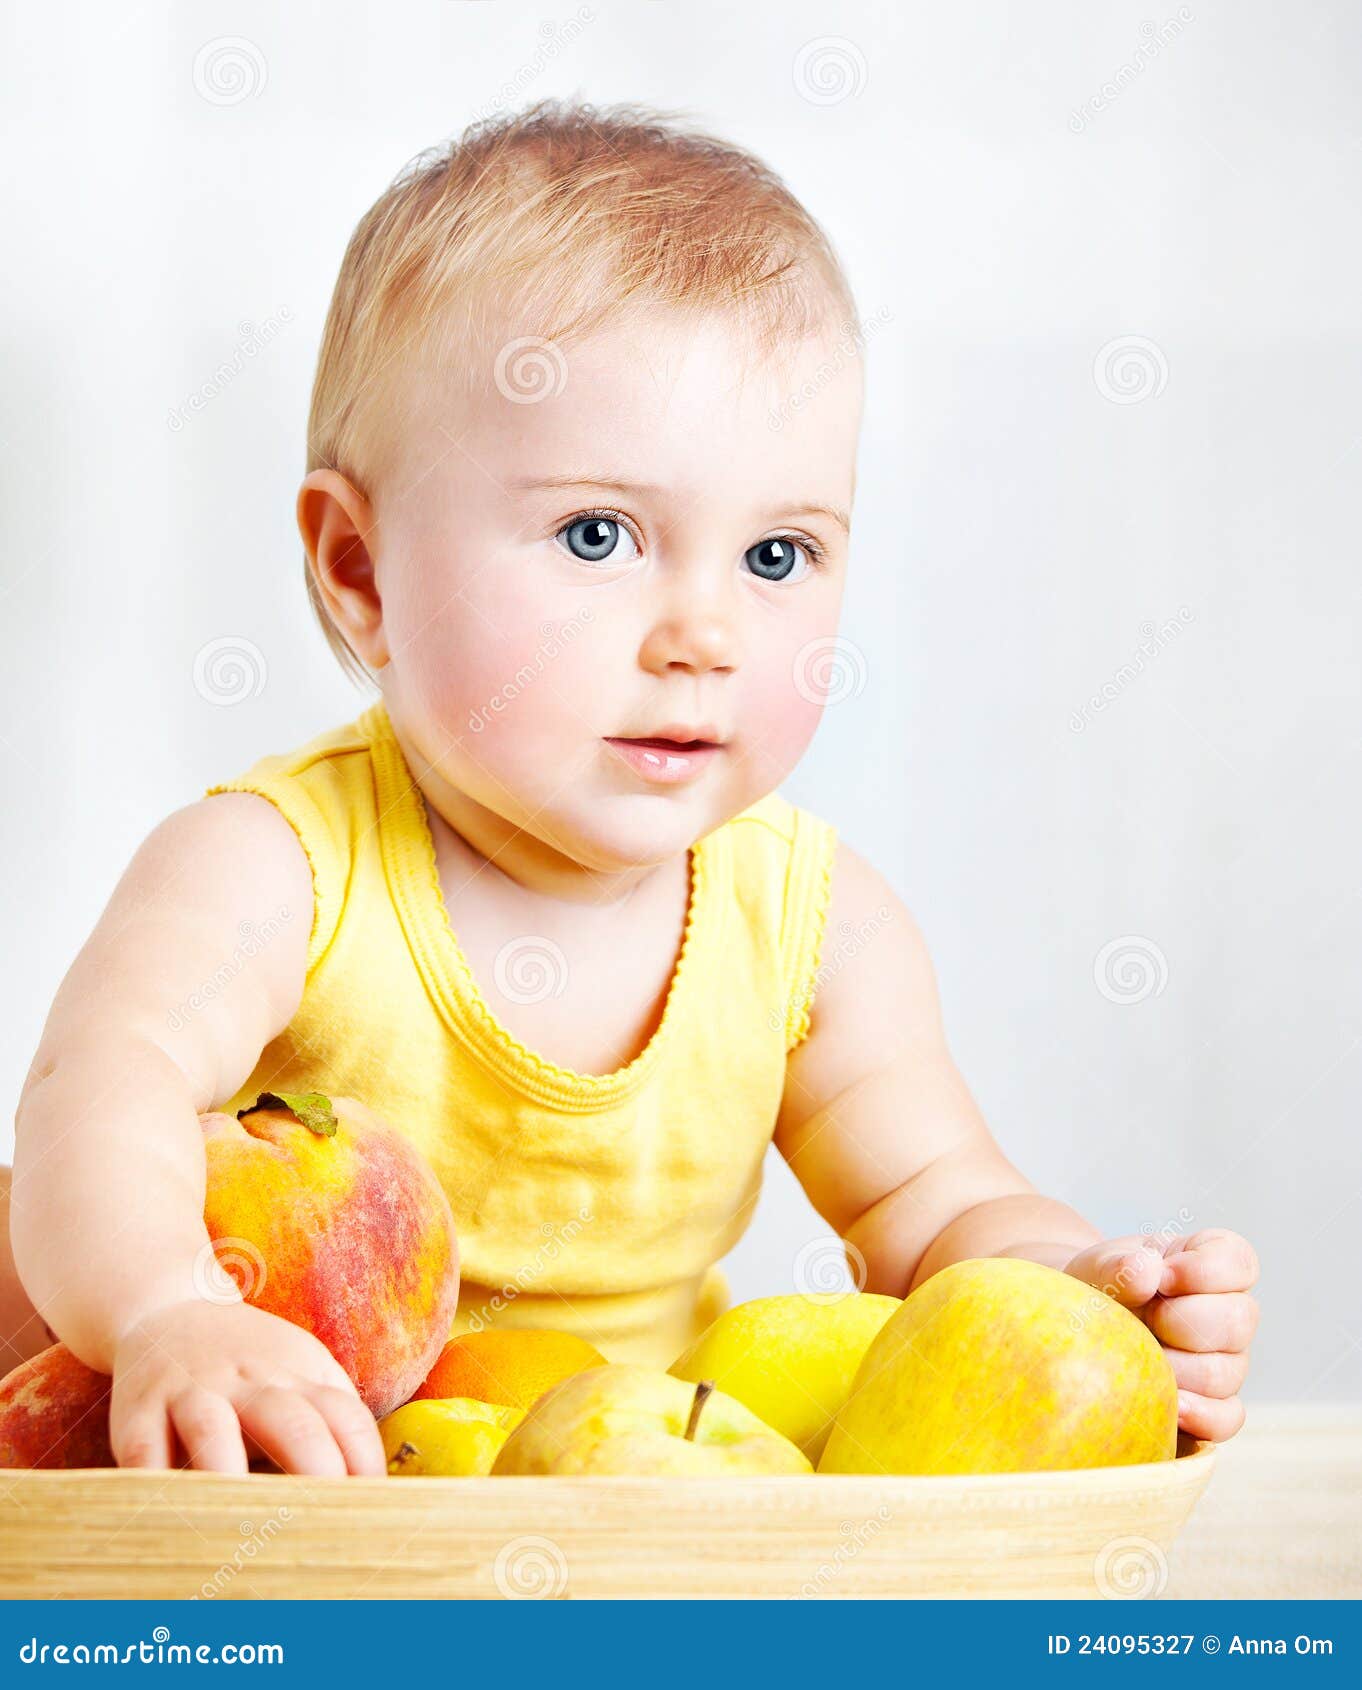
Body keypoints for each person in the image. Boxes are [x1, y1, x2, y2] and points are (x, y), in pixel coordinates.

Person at [3, 101, 1258, 1476]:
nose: (702, 636)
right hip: (312, 1497)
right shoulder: (273, 868)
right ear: (360, 570)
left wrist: (1080, 1289)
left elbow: (935, 1201)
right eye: (598, 535)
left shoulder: (813, 926)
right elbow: (99, 1096)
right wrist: (170, 1309)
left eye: (776, 556)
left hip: (632, 1508)